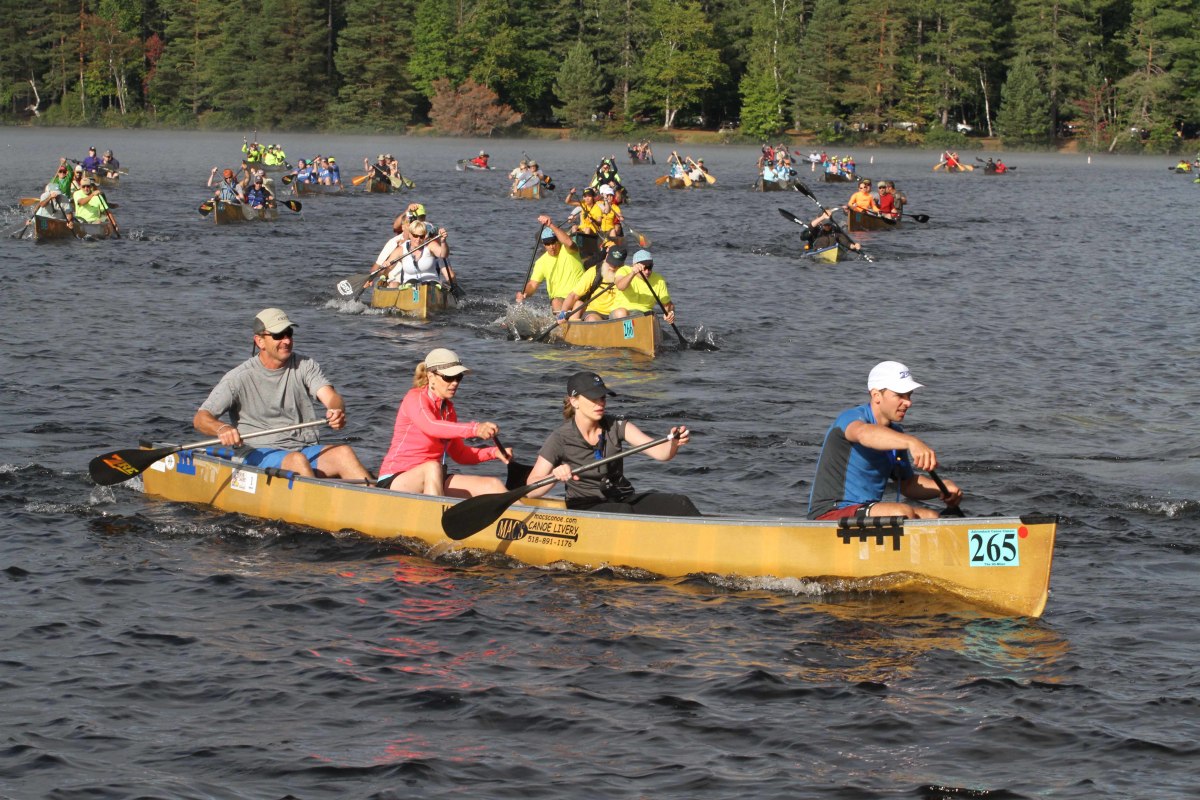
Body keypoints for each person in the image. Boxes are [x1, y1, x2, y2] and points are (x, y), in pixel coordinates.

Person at [193, 308, 371, 481]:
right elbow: (201, 418)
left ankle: (376, 502)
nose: (286, 341)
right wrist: (221, 428)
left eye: (289, 333)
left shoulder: (305, 365)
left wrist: (336, 410)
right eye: (278, 335)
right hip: (256, 453)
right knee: (296, 461)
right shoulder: (237, 378)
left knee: (343, 453)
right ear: (260, 341)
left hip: (303, 448)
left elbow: (332, 397)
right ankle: (316, 505)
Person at [523, 372, 699, 515]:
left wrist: (674, 443)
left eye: (603, 398)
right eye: (593, 398)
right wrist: (555, 476)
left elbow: (661, 453)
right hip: (585, 506)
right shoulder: (560, 438)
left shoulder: (617, 425)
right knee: (623, 512)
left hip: (622, 499)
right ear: (574, 401)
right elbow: (530, 488)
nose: (600, 403)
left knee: (680, 502)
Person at [807, 361, 963, 520]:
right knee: (902, 512)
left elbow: (908, 485)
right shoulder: (851, 418)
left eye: (909, 395)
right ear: (876, 396)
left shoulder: (896, 435)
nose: (908, 402)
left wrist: (942, 487)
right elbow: (863, 434)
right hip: (830, 512)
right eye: (900, 395)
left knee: (931, 517)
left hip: (864, 510)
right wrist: (912, 442)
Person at [376, 348, 510, 497]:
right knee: (432, 468)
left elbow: (459, 454)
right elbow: (431, 426)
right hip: (394, 480)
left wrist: (494, 452)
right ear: (431, 376)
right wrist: (475, 429)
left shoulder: (449, 411)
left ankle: (532, 519)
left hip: (434, 477)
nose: (454, 383)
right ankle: (434, 517)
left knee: (492, 485)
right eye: (448, 377)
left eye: (458, 377)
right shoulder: (415, 399)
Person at [515, 215, 584, 312]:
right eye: (547, 243)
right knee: (555, 302)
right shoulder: (541, 262)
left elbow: (568, 242)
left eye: (553, 242)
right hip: (559, 301)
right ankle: (562, 323)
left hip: (579, 296)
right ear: (544, 245)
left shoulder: (570, 250)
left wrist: (550, 225)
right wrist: (524, 292)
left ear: (558, 240)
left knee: (575, 303)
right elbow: (533, 284)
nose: (551, 246)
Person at [558, 246, 627, 322]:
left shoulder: (627, 274)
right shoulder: (594, 272)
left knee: (622, 313)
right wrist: (563, 312)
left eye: (616, 264)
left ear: (623, 263)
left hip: (616, 312)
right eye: (610, 262)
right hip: (595, 312)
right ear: (606, 256)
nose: (612, 267)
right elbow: (573, 295)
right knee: (591, 319)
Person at [611, 249, 674, 323]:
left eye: (649, 267)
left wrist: (670, 312)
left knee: (653, 318)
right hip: (621, 313)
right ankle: (629, 334)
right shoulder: (624, 270)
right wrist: (633, 273)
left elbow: (668, 304)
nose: (647, 271)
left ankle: (648, 333)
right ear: (634, 266)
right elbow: (620, 286)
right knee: (621, 313)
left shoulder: (659, 279)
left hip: (644, 314)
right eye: (644, 268)